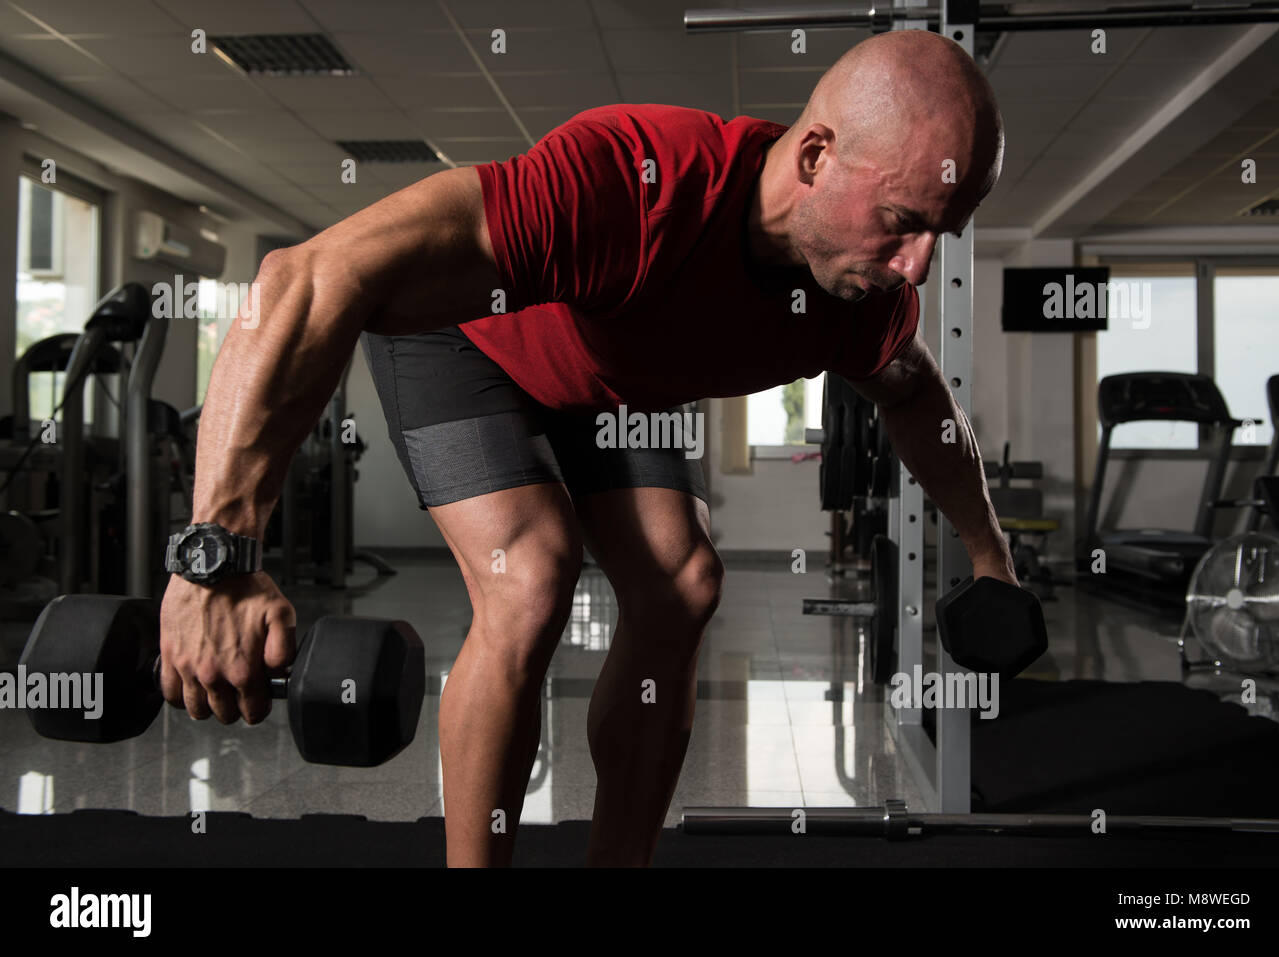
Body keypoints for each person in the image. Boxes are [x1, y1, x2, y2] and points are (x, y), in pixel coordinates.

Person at [160, 29, 1013, 867]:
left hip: (607, 380)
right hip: (468, 343)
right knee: (531, 578)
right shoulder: (636, 182)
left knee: (684, 582)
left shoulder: (863, 300)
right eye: (903, 223)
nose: (918, 268)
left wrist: (990, 559)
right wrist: (215, 560)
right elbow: (304, 279)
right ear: (816, 155)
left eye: (942, 234)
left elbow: (915, 396)